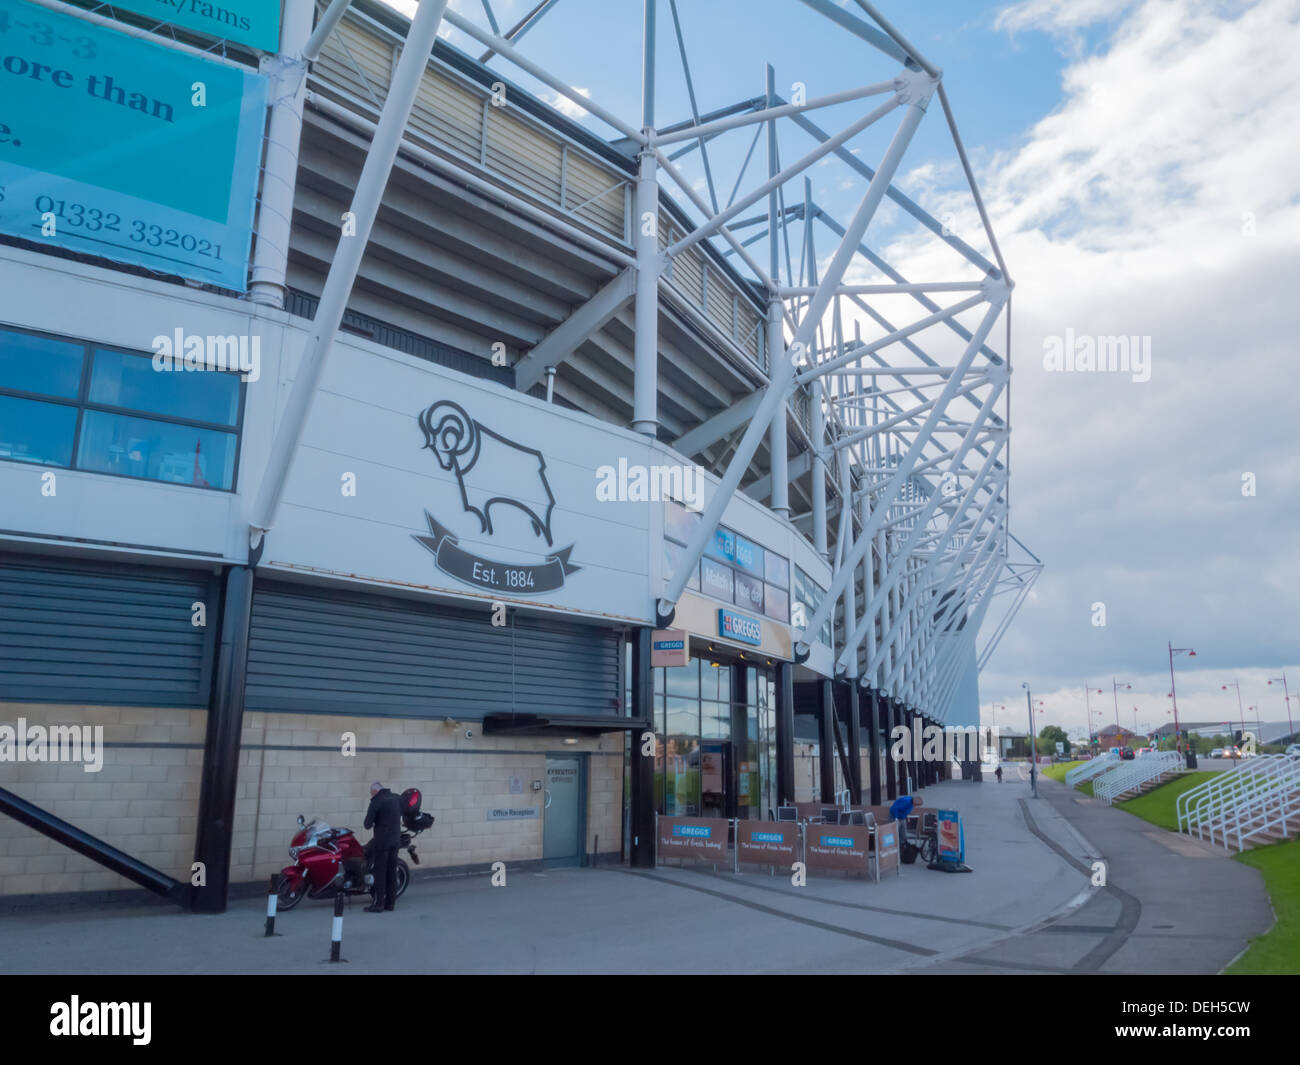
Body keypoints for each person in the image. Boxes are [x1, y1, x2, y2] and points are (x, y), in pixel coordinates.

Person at [363, 781, 401, 913]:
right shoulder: (396, 798)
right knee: (391, 872)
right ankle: (390, 904)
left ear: (375, 791)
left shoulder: (376, 801)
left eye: (371, 793)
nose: (371, 795)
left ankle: (378, 904)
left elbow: (367, 824)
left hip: (382, 843)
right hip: (396, 841)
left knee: (380, 873)